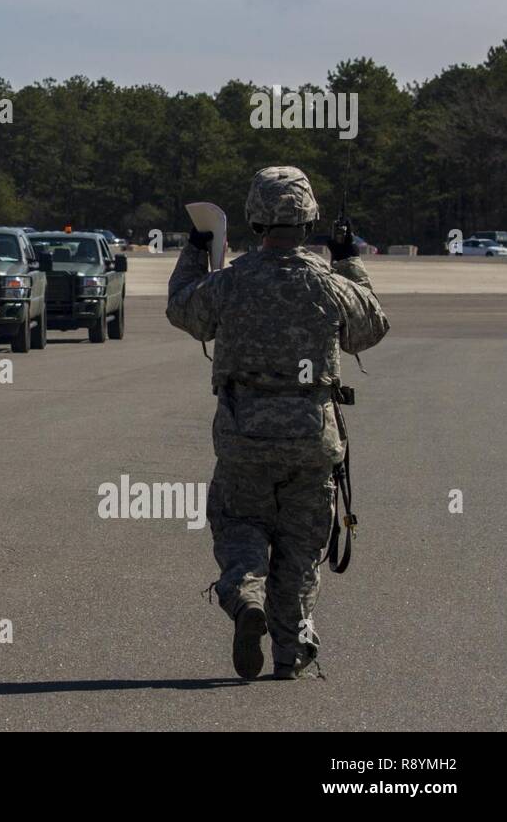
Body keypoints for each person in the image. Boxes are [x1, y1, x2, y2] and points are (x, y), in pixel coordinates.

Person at [166, 167, 389, 680]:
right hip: (311, 439)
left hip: (245, 437)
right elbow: (370, 327)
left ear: (254, 219)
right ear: (309, 219)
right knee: (300, 546)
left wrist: (198, 248)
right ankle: (290, 651)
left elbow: (184, 309)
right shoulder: (328, 283)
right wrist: (350, 259)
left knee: (241, 526)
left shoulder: (230, 283)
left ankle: (246, 598)